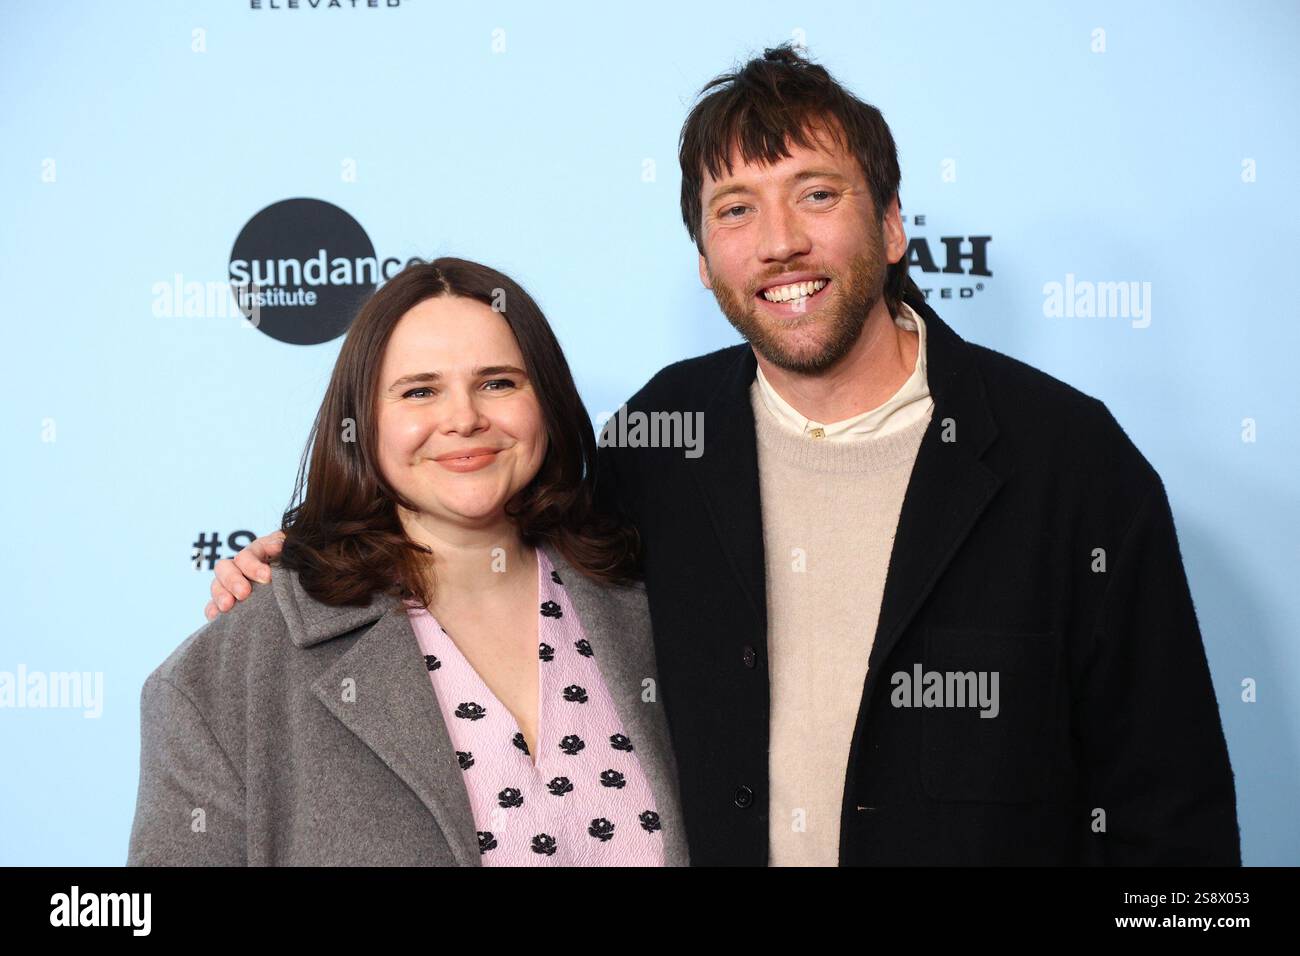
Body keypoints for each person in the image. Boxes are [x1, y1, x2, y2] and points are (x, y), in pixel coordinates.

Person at [205, 45, 1241, 866]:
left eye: (816, 194)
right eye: (735, 211)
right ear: (704, 262)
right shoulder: (666, 437)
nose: (779, 241)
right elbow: (487, 496)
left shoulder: (1070, 460)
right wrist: (305, 548)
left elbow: (1170, 811)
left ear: (890, 226)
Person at [129, 258, 689, 866]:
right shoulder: (226, 677)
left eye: (498, 382)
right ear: (362, 424)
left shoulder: (660, 601)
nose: (464, 418)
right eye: (420, 391)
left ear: (547, 402)